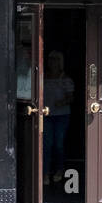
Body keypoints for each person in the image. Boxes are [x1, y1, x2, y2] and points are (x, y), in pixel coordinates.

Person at [42, 51, 75, 189]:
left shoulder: (65, 79)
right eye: (50, 59)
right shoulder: (43, 77)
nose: (52, 62)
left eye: (56, 59)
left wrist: (62, 102)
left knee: (58, 144)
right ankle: (45, 173)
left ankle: (60, 169)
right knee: (47, 145)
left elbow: (71, 97)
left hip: (61, 115)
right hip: (46, 115)